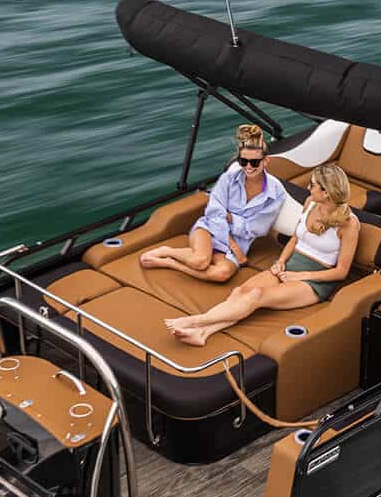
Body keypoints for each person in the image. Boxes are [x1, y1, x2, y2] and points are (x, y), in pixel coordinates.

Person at [165, 164, 361, 347]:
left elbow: (341, 272)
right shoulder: (310, 203)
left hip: (315, 281)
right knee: (241, 291)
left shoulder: (349, 224)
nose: (308, 187)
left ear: (326, 192)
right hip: (289, 266)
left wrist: (301, 276)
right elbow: (295, 238)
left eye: (313, 185)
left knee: (257, 296)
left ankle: (195, 321)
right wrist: (281, 261)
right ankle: (204, 333)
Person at [140, 123, 286, 284]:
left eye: (255, 162)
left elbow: (257, 228)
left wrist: (230, 218)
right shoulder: (228, 179)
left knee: (221, 274)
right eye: (243, 162)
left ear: (266, 161)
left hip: (239, 243)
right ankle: (169, 252)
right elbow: (214, 214)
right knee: (200, 262)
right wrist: (234, 244)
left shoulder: (275, 192)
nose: (249, 167)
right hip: (210, 231)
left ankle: (170, 262)